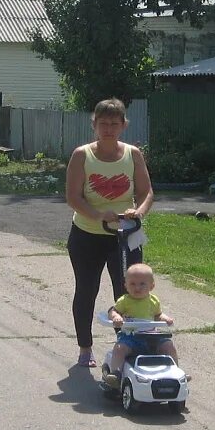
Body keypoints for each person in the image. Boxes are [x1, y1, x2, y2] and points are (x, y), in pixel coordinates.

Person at [65, 98, 154, 368]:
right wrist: (97, 214)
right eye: (103, 123)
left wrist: (139, 211)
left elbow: (147, 192)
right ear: (94, 125)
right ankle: (85, 347)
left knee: (129, 292)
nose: (108, 129)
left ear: (123, 125)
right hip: (88, 234)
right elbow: (72, 196)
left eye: (114, 124)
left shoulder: (132, 154)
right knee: (87, 289)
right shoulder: (82, 155)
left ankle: (127, 346)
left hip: (125, 237)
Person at [104, 263, 177, 385]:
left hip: (151, 336)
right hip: (130, 337)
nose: (137, 288)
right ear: (126, 285)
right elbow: (113, 311)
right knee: (119, 349)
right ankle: (116, 374)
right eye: (132, 284)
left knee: (168, 345)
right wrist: (116, 317)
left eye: (142, 284)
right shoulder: (125, 301)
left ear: (151, 286)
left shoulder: (153, 301)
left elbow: (157, 315)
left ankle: (175, 372)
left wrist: (166, 319)